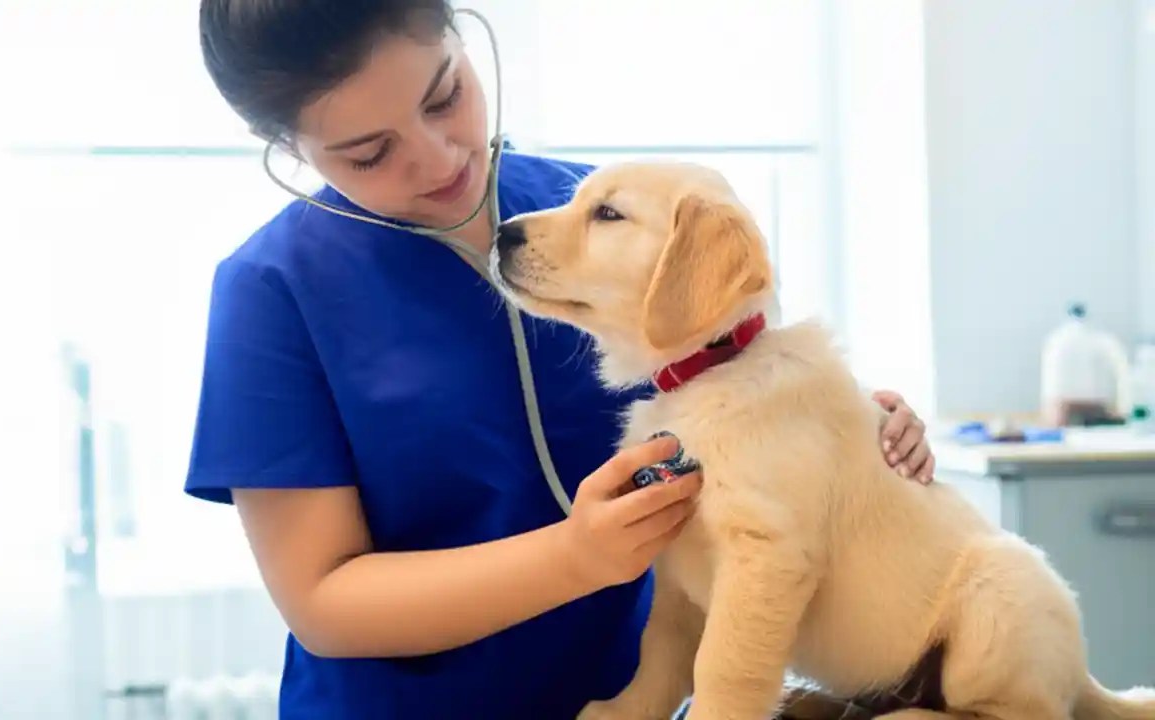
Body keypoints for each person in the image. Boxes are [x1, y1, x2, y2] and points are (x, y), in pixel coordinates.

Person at [187, 2, 937, 719]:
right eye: (371, 152)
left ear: (462, 37)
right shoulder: (271, 290)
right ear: (289, 148)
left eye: (445, 96)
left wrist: (840, 433)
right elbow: (324, 602)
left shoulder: (596, 209)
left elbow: (731, 388)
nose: (440, 156)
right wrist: (576, 559)